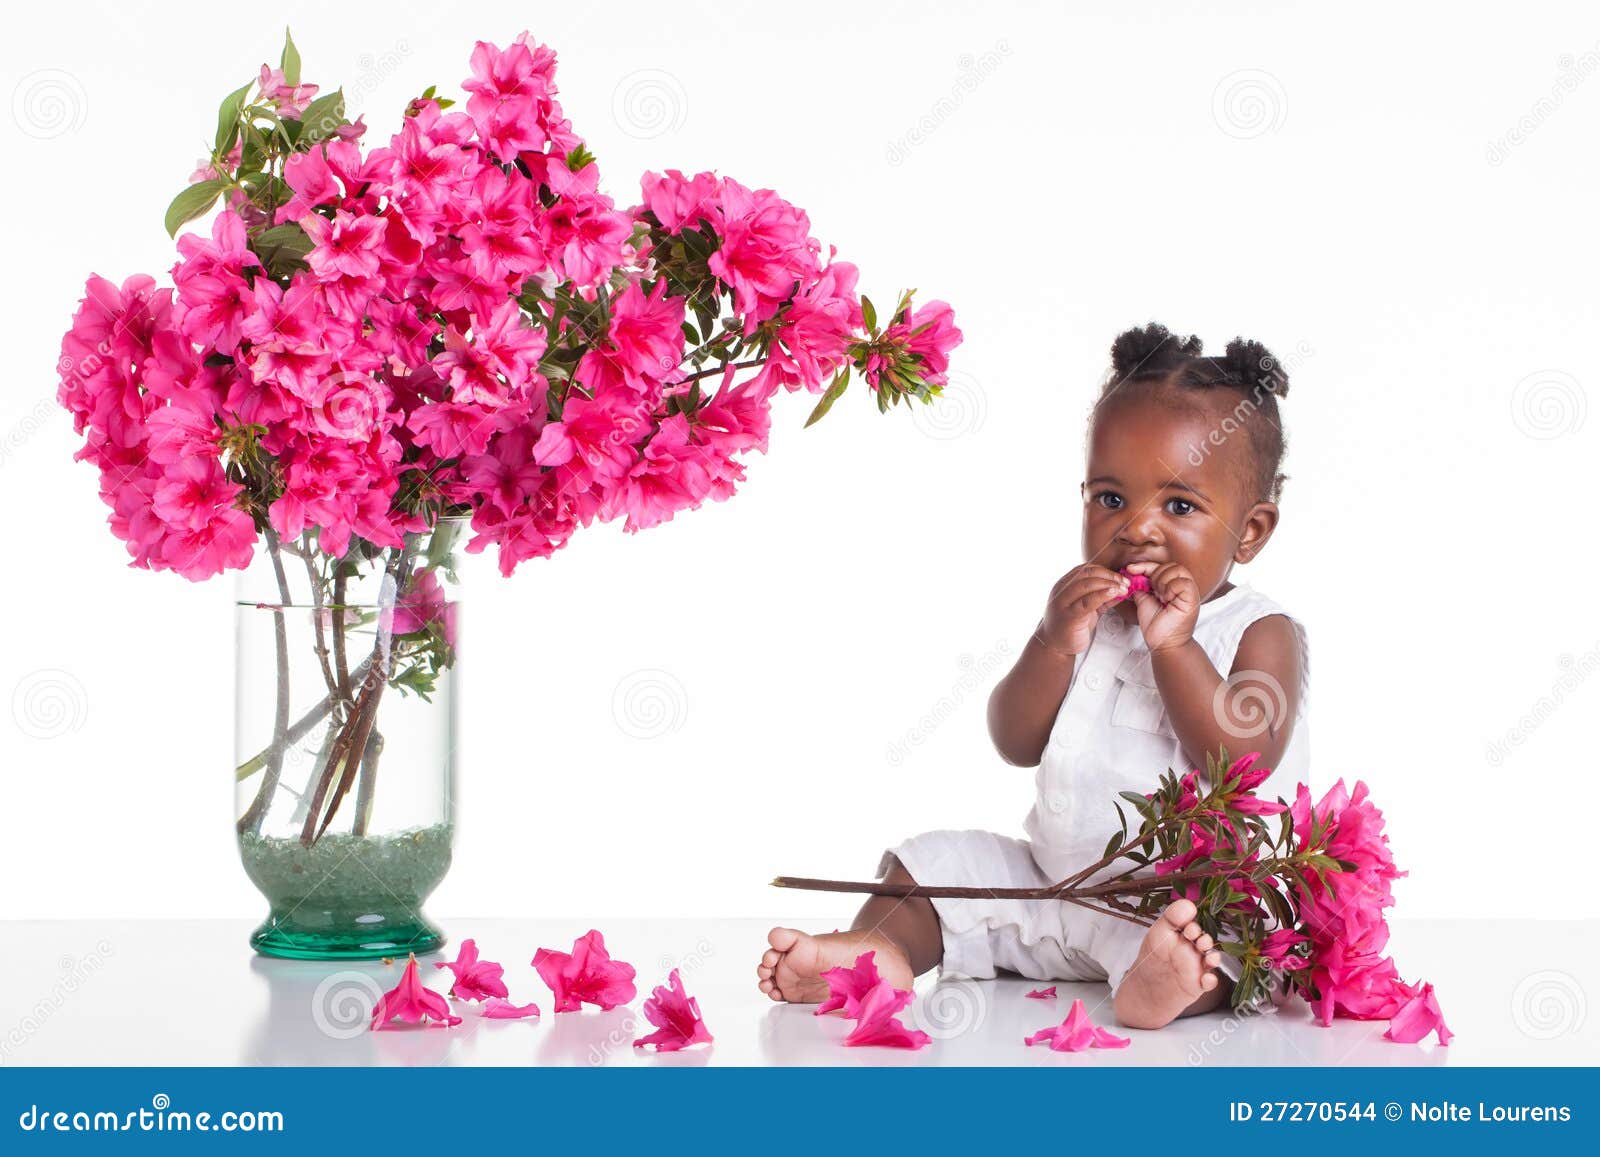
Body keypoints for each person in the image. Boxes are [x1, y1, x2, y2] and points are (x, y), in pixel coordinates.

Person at [757, 322, 1309, 1029]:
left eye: (1179, 506)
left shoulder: (1258, 630)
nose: (1136, 529)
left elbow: (1245, 757)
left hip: (1173, 902)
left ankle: (1160, 985)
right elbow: (1014, 740)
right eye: (1110, 498)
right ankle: (879, 950)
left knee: (1218, 942)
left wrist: (1175, 648)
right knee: (934, 864)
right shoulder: (1086, 615)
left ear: (1251, 530)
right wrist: (1051, 643)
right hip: (1052, 885)